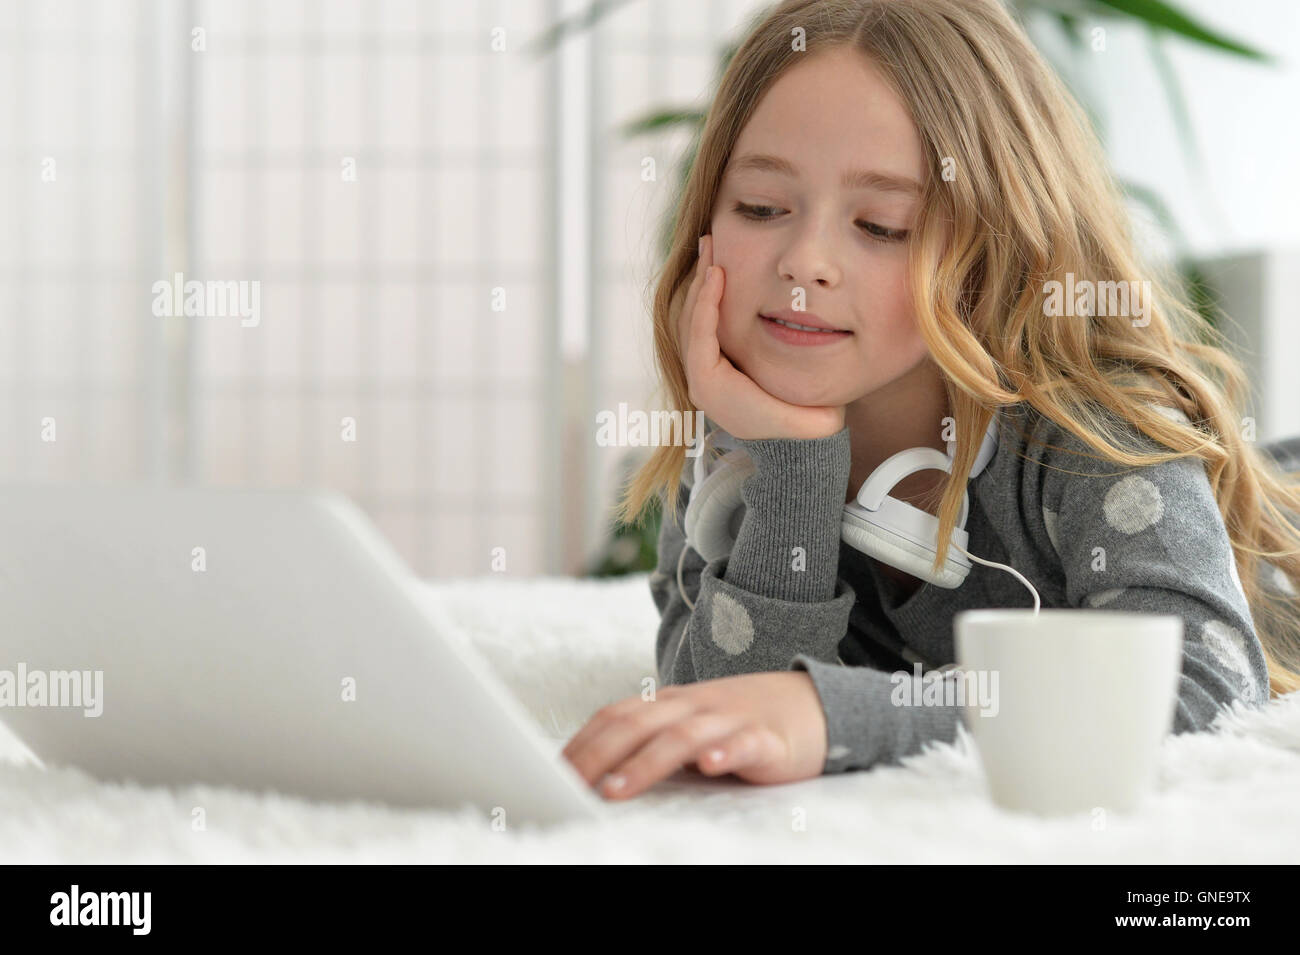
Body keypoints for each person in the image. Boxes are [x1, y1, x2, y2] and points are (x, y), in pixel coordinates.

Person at [561, 0, 1300, 800]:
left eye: (882, 225)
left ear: (999, 251)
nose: (805, 261)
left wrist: (835, 713)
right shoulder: (734, 444)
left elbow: (1202, 689)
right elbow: (723, 715)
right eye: (762, 208)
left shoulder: (1091, 435)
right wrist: (793, 469)